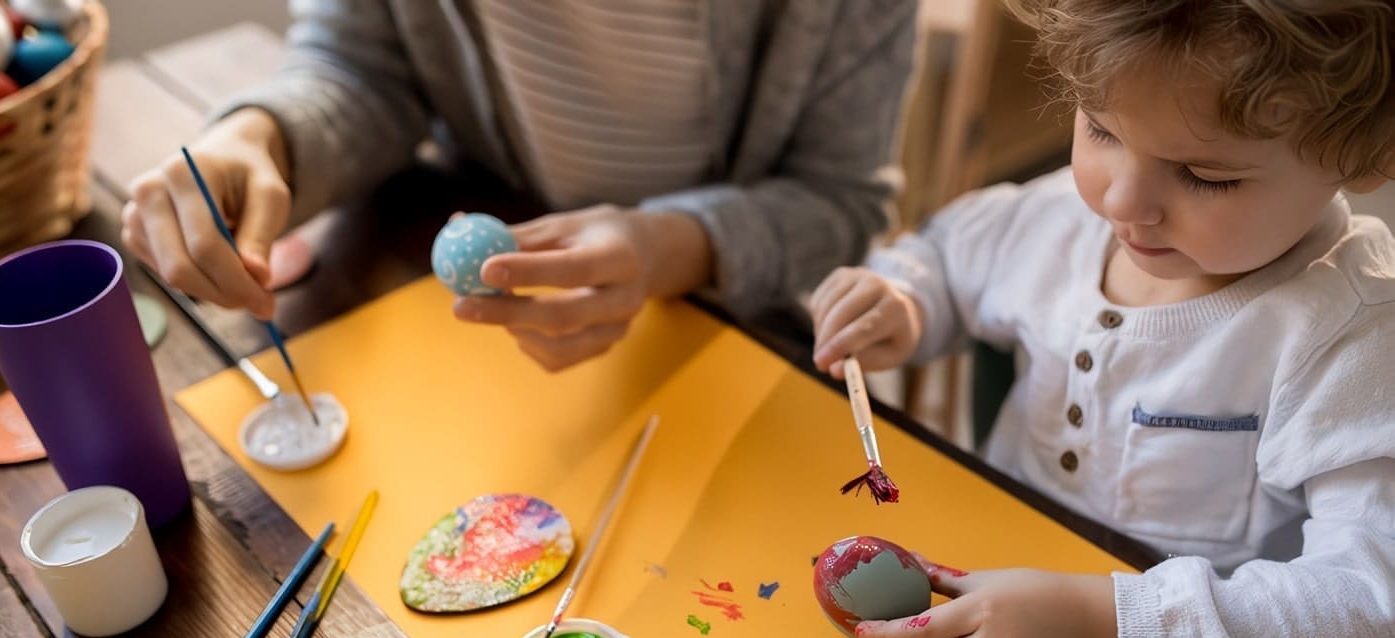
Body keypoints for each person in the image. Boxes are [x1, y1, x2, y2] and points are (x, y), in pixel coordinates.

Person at [809, 0, 1395, 638]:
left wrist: (1096, 628)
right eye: (1101, 129)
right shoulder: (1058, 217)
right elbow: (943, 257)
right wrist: (902, 300)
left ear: (1364, 156)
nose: (1122, 202)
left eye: (1205, 175)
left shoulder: (1356, 335)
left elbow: (1375, 621)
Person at [119, 0, 915, 371]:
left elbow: (836, 198)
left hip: (731, 329)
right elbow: (363, 62)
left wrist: (671, 247)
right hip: (475, 330)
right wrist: (261, 136)